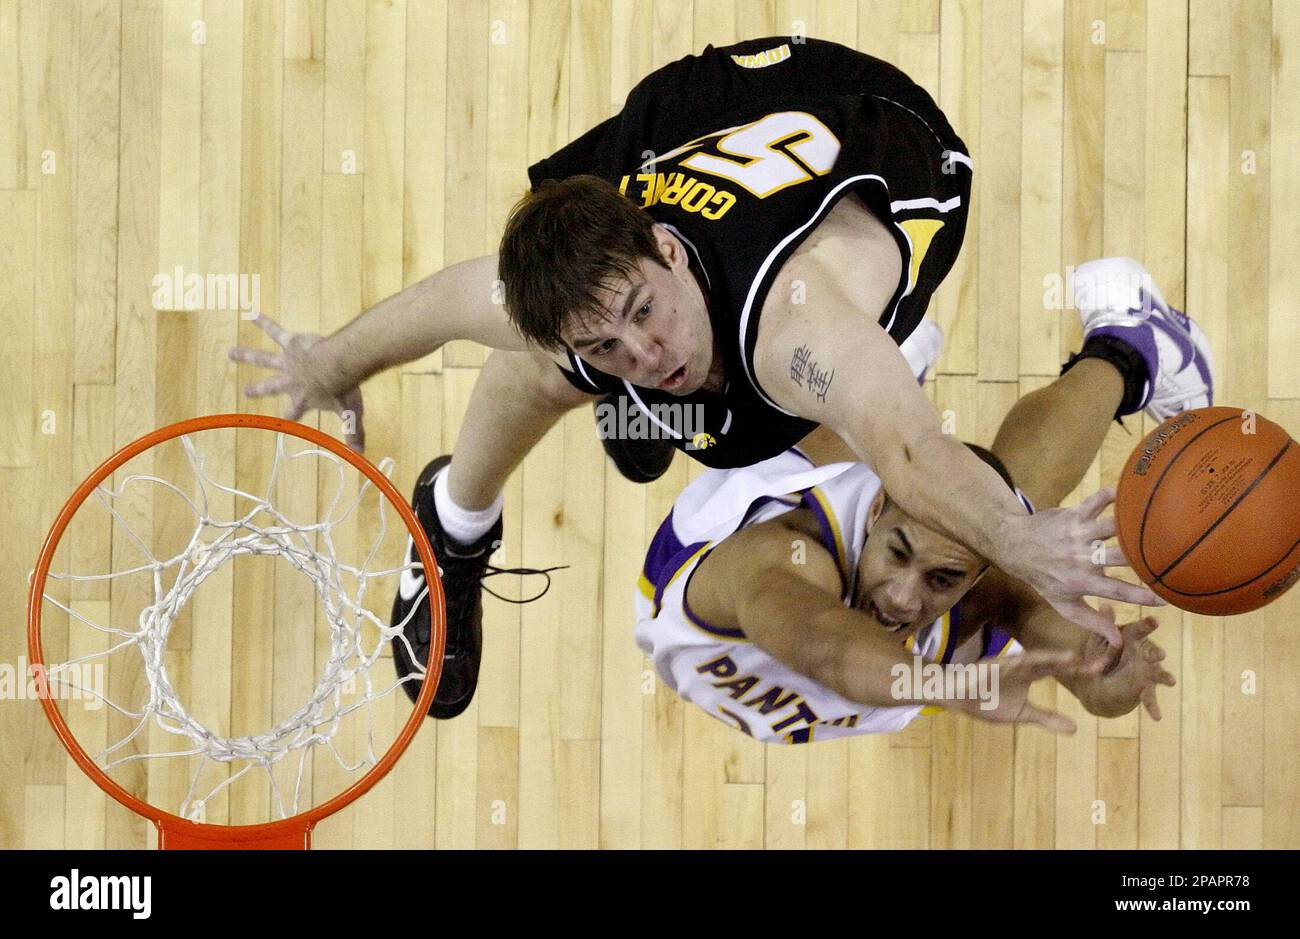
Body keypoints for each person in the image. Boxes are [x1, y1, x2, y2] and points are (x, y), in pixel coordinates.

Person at [230, 36, 1209, 718]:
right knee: (543, 360)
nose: (645, 355)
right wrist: (327, 363)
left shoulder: (796, 328)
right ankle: (453, 524)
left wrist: (1020, 541)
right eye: (612, 350)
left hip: (873, 136)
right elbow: (442, 303)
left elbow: (911, 452)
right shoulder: (589, 308)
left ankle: (1124, 348)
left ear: (665, 249)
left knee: (937, 481)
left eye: (643, 314)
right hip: (684, 125)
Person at [633, 271, 1195, 741]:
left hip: (893, 656)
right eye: (898, 553)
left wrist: (1114, 671)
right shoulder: (777, 556)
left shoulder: (986, 584)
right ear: (877, 505)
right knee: (810, 421)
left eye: (943, 579)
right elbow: (827, 648)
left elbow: (1092, 679)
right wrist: (942, 686)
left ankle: (1125, 341)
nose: (902, 597)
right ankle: (1124, 346)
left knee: (1015, 504)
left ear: (979, 573)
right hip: (746, 529)